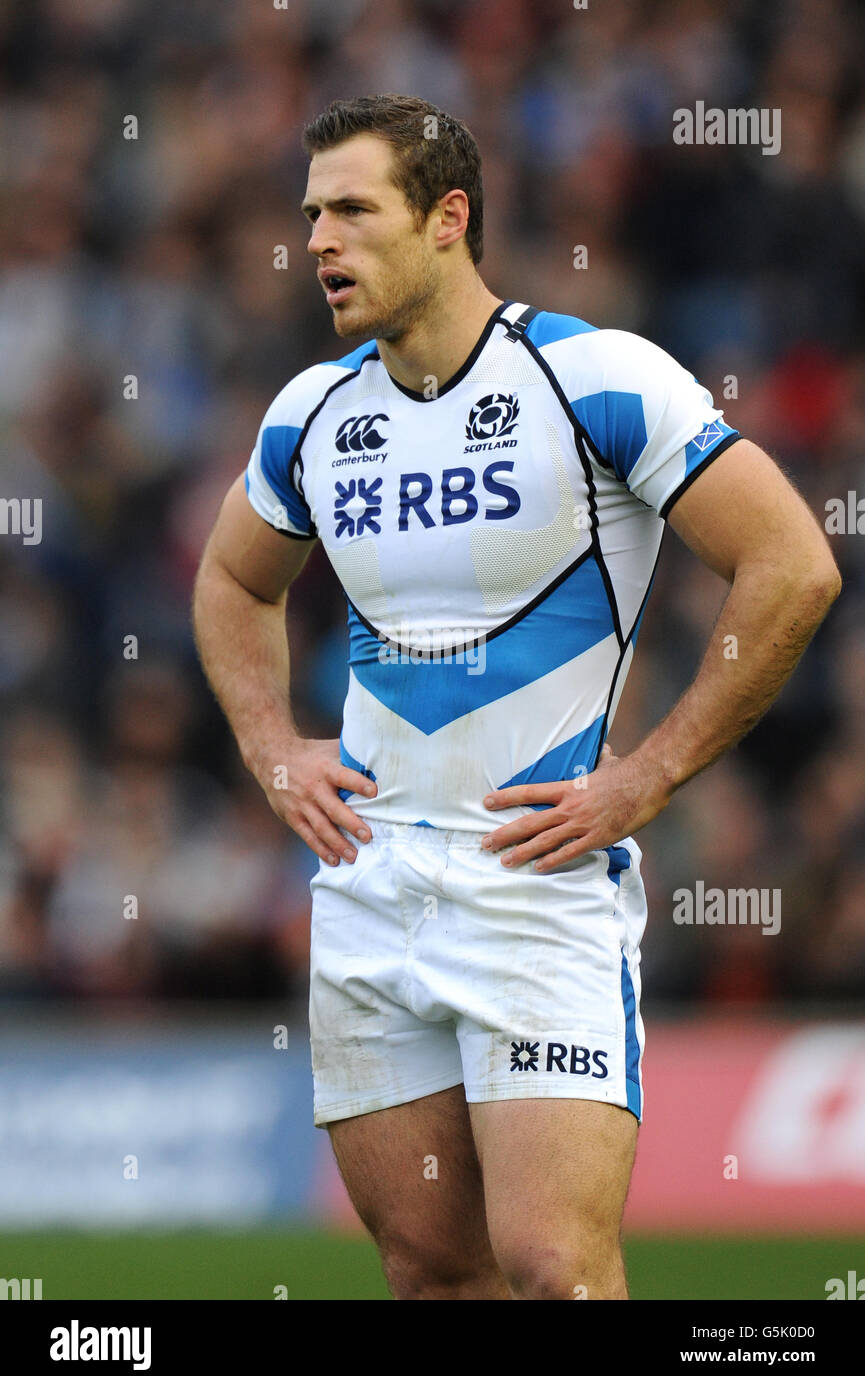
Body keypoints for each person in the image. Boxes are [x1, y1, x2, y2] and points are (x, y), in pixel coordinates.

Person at [192, 95, 841, 1299]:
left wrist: (648, 774)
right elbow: (233, 580)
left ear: (448, 219)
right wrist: (270, 745)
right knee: (433, 1270)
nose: (318, 241)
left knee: (556, 1272)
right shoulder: (313, 413)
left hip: (535, 884)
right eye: (308, 214)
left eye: (351, 210)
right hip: (369, 884)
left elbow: (793, 563)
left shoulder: (596, 376)